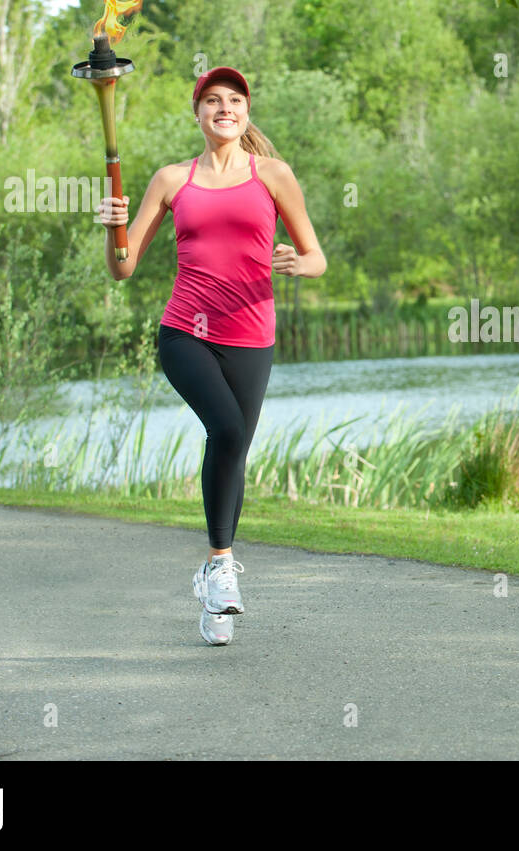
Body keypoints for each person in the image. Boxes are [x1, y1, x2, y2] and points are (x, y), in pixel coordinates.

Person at [96, 66, 326, 645]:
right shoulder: (173, 180)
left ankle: (214, 600)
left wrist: (303, 264)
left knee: (233, 449)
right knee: (225, 430)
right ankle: (221, 565)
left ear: (247, 112)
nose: (225, 107)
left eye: (235, 100)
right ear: (196, 113)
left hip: (253, 336)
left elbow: (315, 253)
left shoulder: (273, 174)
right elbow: (123, 267)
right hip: (186, 333)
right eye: (213, 100)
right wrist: (114, 228)